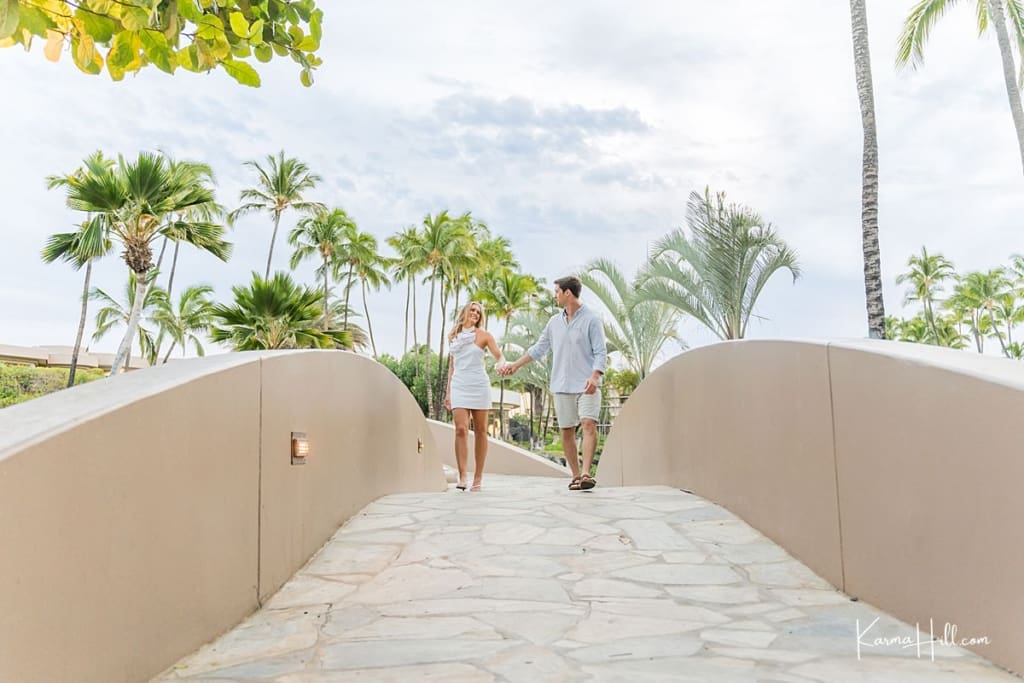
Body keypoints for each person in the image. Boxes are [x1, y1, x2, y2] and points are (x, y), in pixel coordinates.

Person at [500, 276, 606, 491]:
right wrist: (516, 365)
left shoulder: (591, 319)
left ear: (568, 293)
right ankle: (576, 476)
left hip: (587, 384)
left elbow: (600, 351)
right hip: (561, 385)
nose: (554, 295)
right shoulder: (554, 322)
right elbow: (539, 349)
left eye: (557, 291)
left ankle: (586, 472)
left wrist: (595, 376)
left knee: (588, 424)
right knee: (566, 431)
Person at [444, 301, 506, 491]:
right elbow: (452, 366)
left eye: (478, 312)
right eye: (472, 310)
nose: (475, 313)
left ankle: (478, 477)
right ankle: (463, 475)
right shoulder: (453, 335)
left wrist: (500, 364)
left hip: (479, 385)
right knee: (460, 429)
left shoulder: (484, 336)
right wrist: (448, 392)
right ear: (465, 311)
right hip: (459, 385)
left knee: (480, 431)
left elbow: (499, 356)